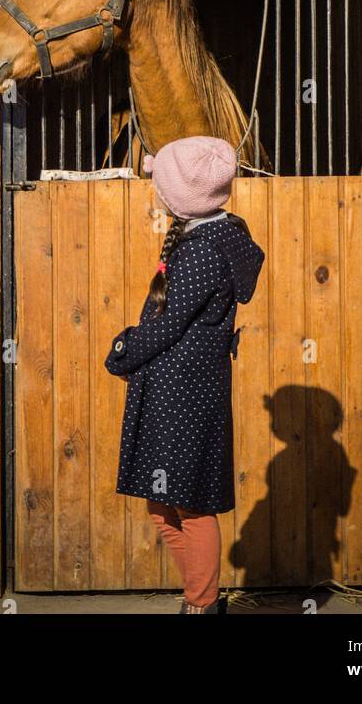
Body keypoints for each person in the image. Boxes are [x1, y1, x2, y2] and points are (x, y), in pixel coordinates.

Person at [104, 135, 266, 614]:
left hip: (183, 394)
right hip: (180, 389)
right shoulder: (210, 237)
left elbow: (168, 323)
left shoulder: (202, 251)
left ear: (182, 195)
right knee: (163, 503)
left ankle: (201, 604)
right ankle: (202, 594)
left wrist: (123, 349)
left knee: (190, 504)